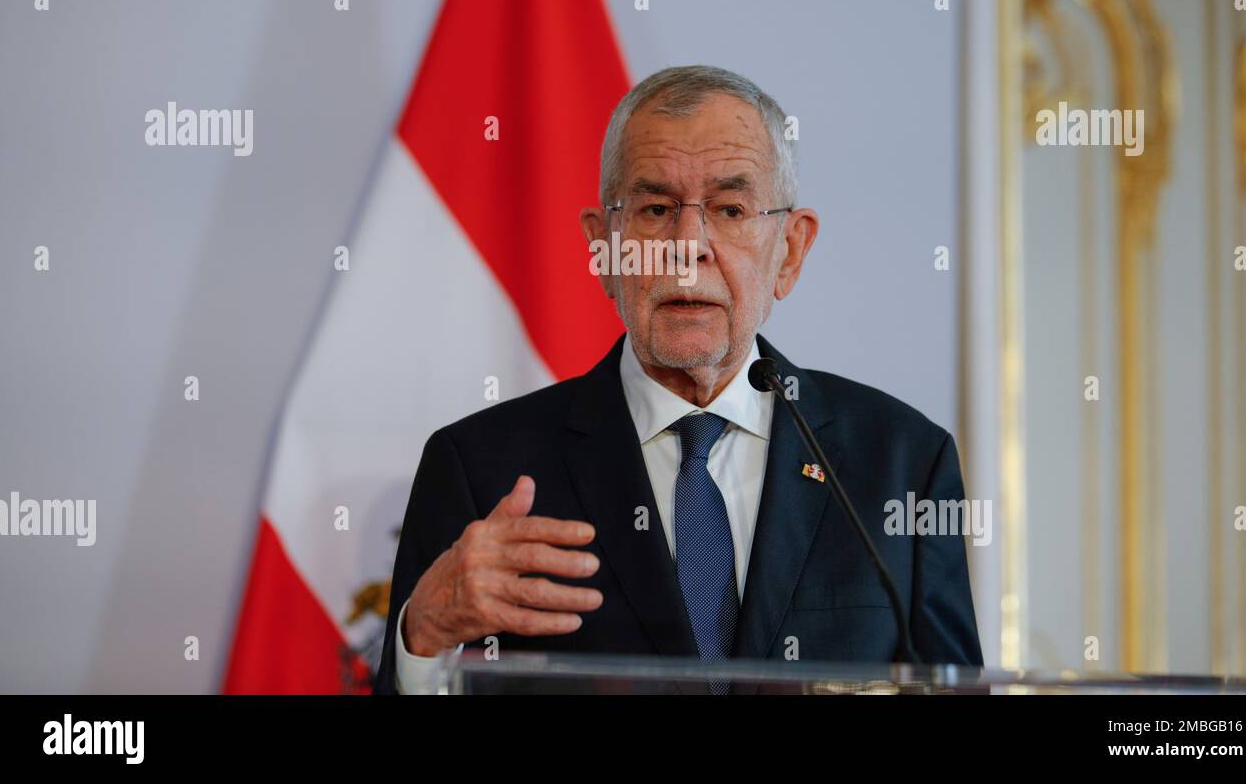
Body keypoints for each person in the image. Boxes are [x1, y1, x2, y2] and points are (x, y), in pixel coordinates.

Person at [374, 65, 983, 694]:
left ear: (790, 251)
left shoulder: (901, 462)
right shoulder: (480, 468)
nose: (687, 245)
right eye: (656, 208)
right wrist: (423, 639)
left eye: (730, 208)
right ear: (604, 250)